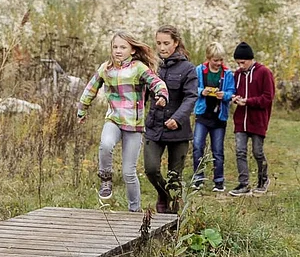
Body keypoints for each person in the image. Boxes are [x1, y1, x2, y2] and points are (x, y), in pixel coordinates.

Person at [77, 32, 169, 212]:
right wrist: (82, 109)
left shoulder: (139, 68)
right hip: (114, 118)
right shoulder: (106, 68)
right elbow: (90, 88)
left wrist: (162, 95)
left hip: (134, 125)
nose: (118, 51)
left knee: (129, 172)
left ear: (133, 50)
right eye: (115, 47)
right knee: (105, 144)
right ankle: (105, 179)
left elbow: (157, 83)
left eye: (123, 47)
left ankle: (134, 210)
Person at [143, 26, 197, 214]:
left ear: (175, 43)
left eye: (166, 43)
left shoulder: (188, 69)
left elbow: (191, 97)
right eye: (158, 43)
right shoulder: (151, 67)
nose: (162, 47)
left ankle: (174, 220)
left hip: (177, 130)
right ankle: (163, 194)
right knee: (150, 169)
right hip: (154, 127)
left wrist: (178, 118)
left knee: (175, 177)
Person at [229, 41, 275, 196]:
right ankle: (243, 184)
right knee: (240, 151)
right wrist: (235, 98)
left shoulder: (264, 73)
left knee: (257, 151)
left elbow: (268, 98)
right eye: (238, 63)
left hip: (258, 119)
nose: (241, 65)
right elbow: (234, 90)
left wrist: (248, 101)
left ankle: (263, 179)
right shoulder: (237, 74)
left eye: (243, 62)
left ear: (250, 59)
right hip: (241, 119)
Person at [191, 42, 235, 192]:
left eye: (220, 60)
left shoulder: (227, 74)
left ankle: (219, 180)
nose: (218, 63)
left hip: (219, 116)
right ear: (209, 58)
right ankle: (198, 178)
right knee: (197, 146)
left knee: (218, 150)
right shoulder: (199, 70)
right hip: (203, 114)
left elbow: (231, 91)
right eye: (215, 60)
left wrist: (225, 95)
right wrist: (201, 91)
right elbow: (192, 88)